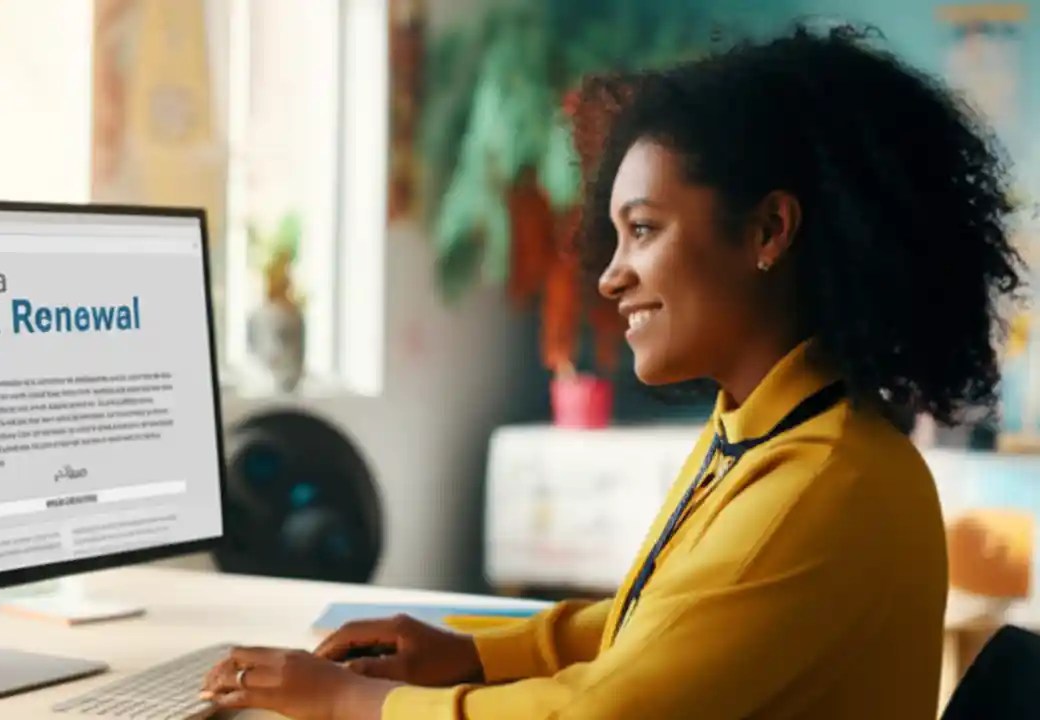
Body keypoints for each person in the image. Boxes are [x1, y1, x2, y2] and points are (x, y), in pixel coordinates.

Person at [199, 22, 1026, 720]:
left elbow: (601, 714)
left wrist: (355, 701)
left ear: (769, 231)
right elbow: (670, 629)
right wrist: (473, 654)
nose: (609, 276)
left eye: (645, 230)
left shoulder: (819, 486)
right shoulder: (771, 431)